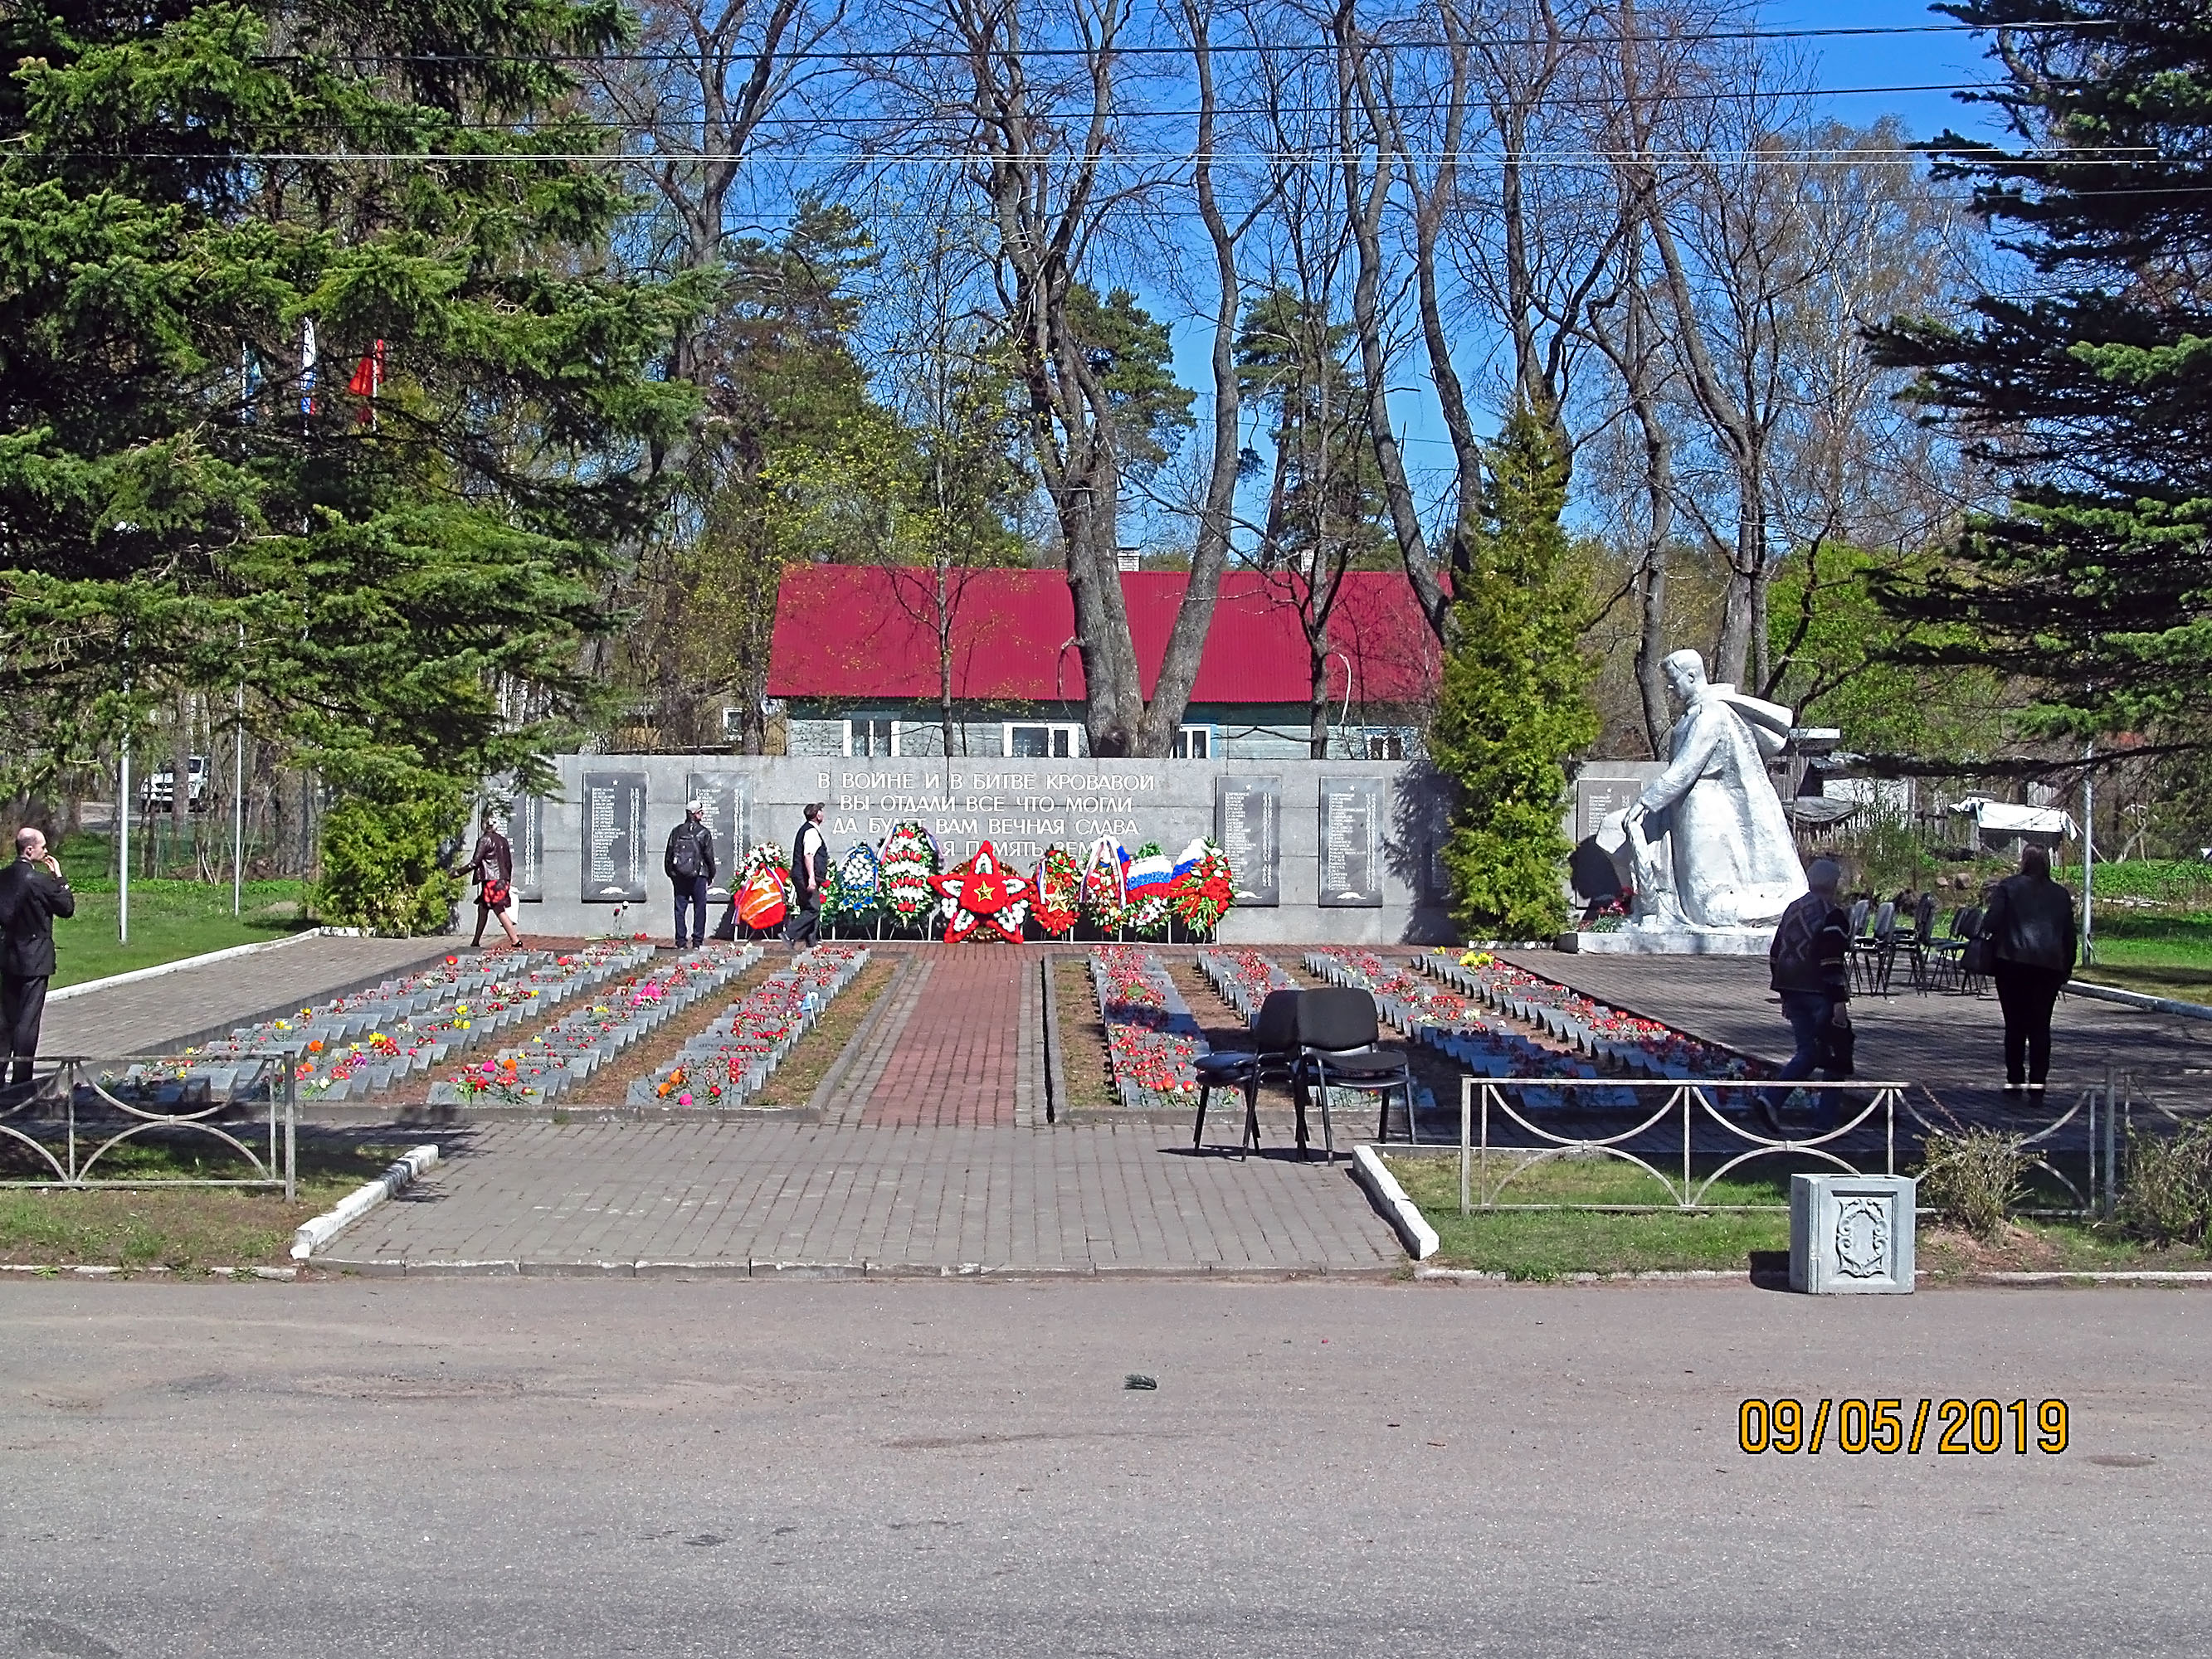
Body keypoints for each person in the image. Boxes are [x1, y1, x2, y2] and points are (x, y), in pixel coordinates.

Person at [1612, 649, 1805, 932]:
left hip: (1702, 810)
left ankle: (1791, 910)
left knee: (1705, 906)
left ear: (1691, 676)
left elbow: (1687, 767)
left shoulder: (1712, 713)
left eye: (1673, 679)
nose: (1670, 687)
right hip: (1684, 807)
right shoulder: (1693, 713)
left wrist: (1645, 803)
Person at [1978, 844, 2077, 1095]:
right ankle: (2038, 1084)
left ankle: (2014, 1080)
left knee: (2015, 1024)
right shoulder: (2060, 894)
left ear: (2024, 861)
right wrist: (2067, 966)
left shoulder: (2008, 887)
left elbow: (1990, 922)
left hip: (2011, 963)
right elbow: (2069, 935)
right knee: (2041, 1025)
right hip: (2048, 968)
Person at [1762, 858, 1851, 1132]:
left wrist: (1784, 993)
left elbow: (1776, 952)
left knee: (1809, 1052)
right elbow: (1831, 960)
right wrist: (1839, 1003)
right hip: (1820, 992)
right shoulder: (1831, 914)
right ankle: (1824, 1124)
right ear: (1833, 884)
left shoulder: (1793, 909)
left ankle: (1771, 1100)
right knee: (1836, 1055)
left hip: (1791, 989)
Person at [0, 827, 74, 1091]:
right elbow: (66, 907)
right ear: (29, 850)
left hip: (9, 956)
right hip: (35, 959)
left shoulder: (4, 878)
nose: (46, 851)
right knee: (27, 1021)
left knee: (6, 1020)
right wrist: (59, 878)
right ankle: (22, 1080)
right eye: (43, 847)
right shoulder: (37, 881)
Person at [463, 813, 521, 950]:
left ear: (484, 824)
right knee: (483, 909)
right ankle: (475, 942)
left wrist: (456, 873)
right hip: (501, 880)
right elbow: (509, 864)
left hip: (491, 881)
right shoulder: (503, 840)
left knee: (498, 908)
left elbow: (474, 863)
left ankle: (516, 941)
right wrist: (508, 880)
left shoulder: (484, 840)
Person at [665, 800, 716, 948]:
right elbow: (709, 856)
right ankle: (697, 941)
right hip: (699, 874)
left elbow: (669, 854)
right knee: (700, 908)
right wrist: (711, 874)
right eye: (701, 812)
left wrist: (672, 873)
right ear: (695, 814)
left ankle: (681, 941)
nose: (703, 814)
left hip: (679, 875)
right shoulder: (703, 833)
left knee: (680, 908)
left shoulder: (676, 831)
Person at [786, 803, 828, 951]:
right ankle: (789, 934)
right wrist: (811, 878)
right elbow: (808, 855)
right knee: (813, 909)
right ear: (817, 815)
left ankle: (812, 941)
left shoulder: (807, 829)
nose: (823, 813)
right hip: (805, 876)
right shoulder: (811, 832)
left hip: (800, 875)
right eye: (821, 811)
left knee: (808, 908)